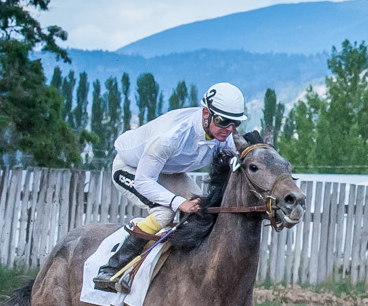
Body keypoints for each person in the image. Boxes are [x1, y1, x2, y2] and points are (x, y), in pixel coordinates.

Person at [92, 83, 250, 292]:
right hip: (132, 169)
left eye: (235, 123)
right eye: (222, 121)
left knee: (202, 210)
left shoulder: (223, 136)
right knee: (165, 212)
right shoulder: (170, 136)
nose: (228, 129)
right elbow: (143, 181)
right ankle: (112, 269)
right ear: (206, 113)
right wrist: (178, 202)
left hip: (167, 171)